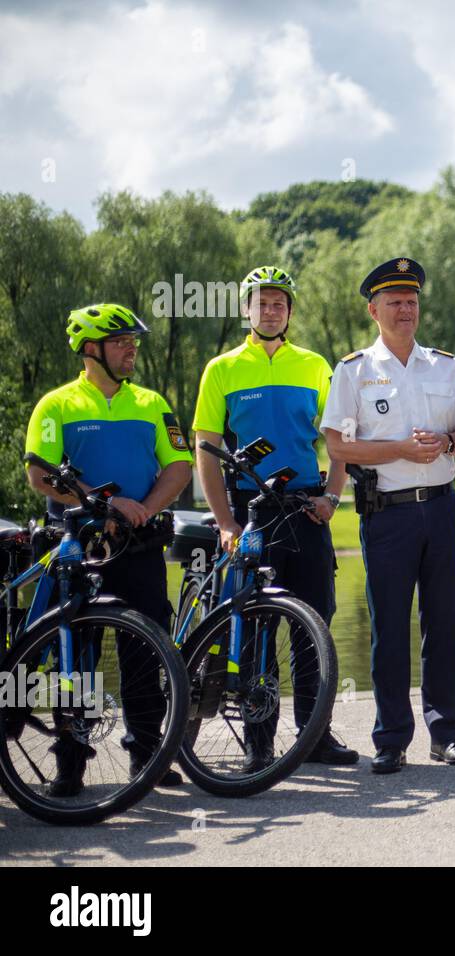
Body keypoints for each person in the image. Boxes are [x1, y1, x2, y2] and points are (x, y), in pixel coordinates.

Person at [25, 303, 193, 794]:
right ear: (90, 349)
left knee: (147, 651)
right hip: (79, 546)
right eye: (121, 342)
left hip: (139, 548)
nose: (131, 349)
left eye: (133, 342)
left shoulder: (152, 403)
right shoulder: (56, 405)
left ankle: (148, 757)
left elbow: (179, 465)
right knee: (75, 657)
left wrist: (141, 508)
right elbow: (40, 474)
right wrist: (106, 503)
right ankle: (70, 764)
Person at [193, 266, 356, 769]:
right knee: (258, 626)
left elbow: (340, 438)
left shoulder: (313, 365)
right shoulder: (222, 368)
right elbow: (206, 448)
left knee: (315, 625)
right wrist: (224, 524)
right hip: (249, 509)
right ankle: (259, 744)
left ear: (289, 312)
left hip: (305, 508)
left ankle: (315, 736)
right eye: (261, 302)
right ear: (246, 309)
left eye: (279, 303)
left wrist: (332, 495)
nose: (271, 310)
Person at [322, 257, 455, 774]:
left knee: (445, 624)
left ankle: (446, 733)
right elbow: (339, 446)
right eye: (394, 302)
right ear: (374, 310)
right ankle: (390, 738)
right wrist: (399, 451)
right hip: (386, 516)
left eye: (411, 301)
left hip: (440, 507)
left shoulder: (445, 365)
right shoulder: (354, 371)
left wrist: (446, 442)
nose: (405, 309)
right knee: (389, 628)